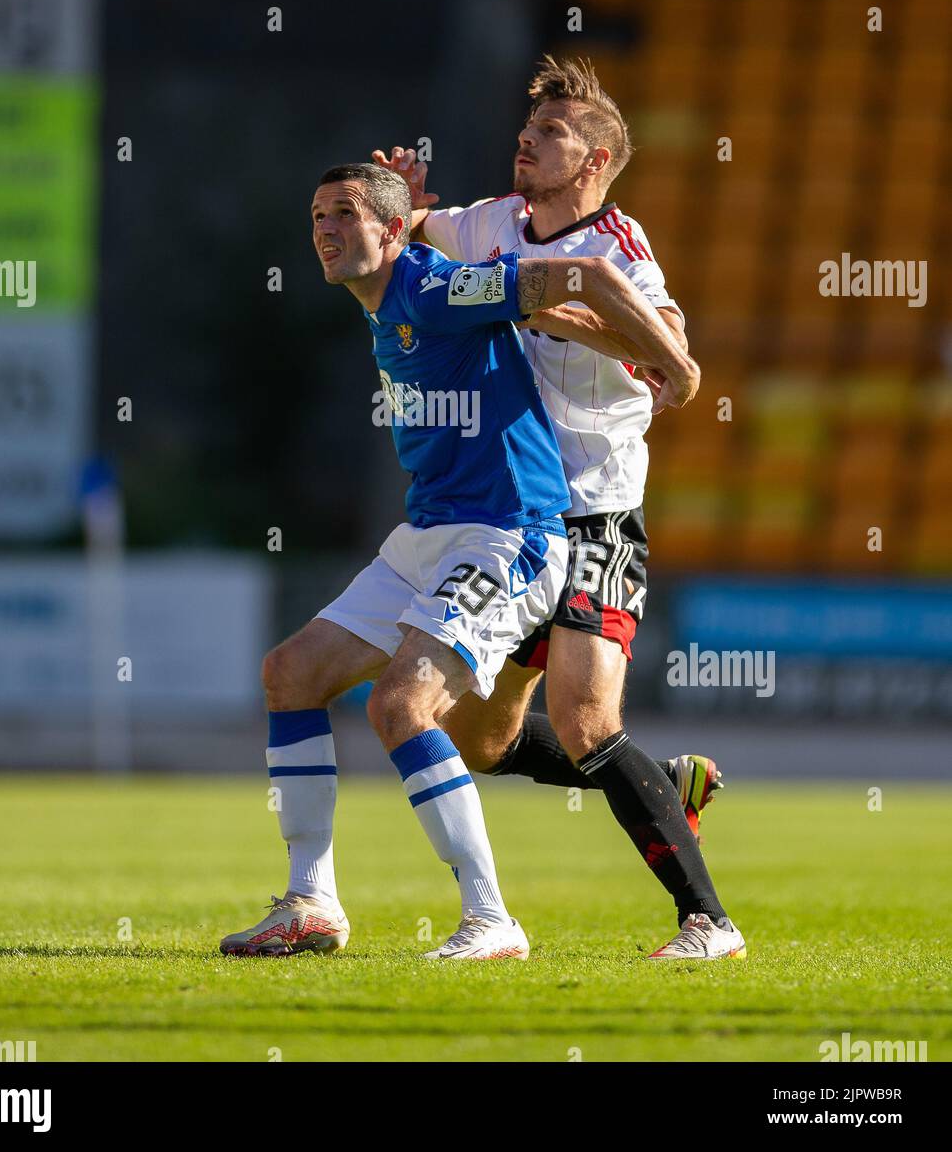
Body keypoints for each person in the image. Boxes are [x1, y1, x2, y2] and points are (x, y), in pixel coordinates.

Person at [219, 161, 699, 960]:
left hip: (509, 533)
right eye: (316, 216)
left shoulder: (439, 289)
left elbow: (581, 271)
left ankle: (491, 918)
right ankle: (311, 901)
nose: (326, 230)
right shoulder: (385, 303)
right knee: (289, 674)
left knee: (402, 704)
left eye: (345, 213)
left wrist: (674, 366)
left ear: (392, 230)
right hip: (429, 535)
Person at [372, 55, 746, 959]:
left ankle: (709, 921)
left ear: (597, 159)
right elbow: (397, 238)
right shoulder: (492, 223)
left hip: (595, 513)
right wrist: (400, 203)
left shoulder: (621, 249)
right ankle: (662, 782)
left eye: (550, 134)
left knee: (584, 722)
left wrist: (552, 305)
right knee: (485, 742)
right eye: (525, 131)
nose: (526, 142)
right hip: (510, 517)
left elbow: (667, 351)